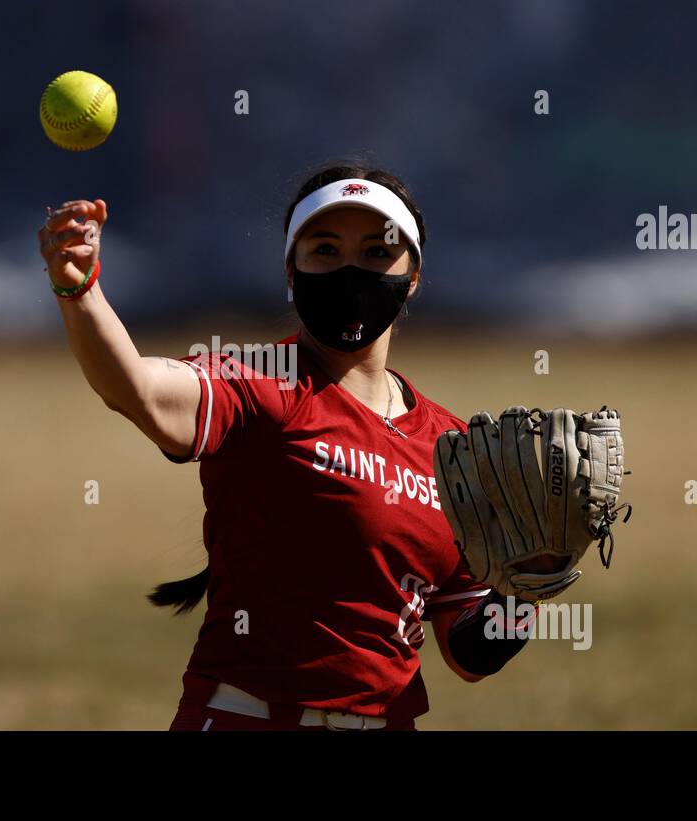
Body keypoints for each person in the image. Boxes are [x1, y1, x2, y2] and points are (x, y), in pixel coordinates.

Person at [37, 163, 534, 731]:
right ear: (292, 273)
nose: (351, 270)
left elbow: (471, 654)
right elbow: (139, 390)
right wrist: (80, 289)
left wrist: (535, 581)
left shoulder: (451, 445)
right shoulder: (261, 382)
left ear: (413, 274)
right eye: (325, 250)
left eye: (377, 252)